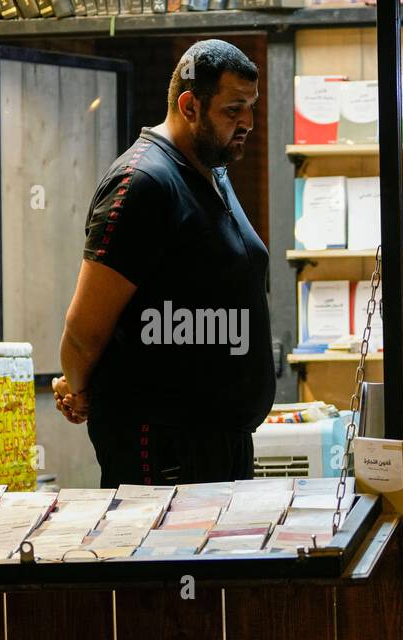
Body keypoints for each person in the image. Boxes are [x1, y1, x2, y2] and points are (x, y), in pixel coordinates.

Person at [52, 39, 274, 487]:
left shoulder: (211, 172)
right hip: (165, 447)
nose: (248, 121)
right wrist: (76, 386)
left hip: (218, 441)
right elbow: (84, 328)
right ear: (190, 106)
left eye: (251, 107)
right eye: (234, 110)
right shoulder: (144, 183)